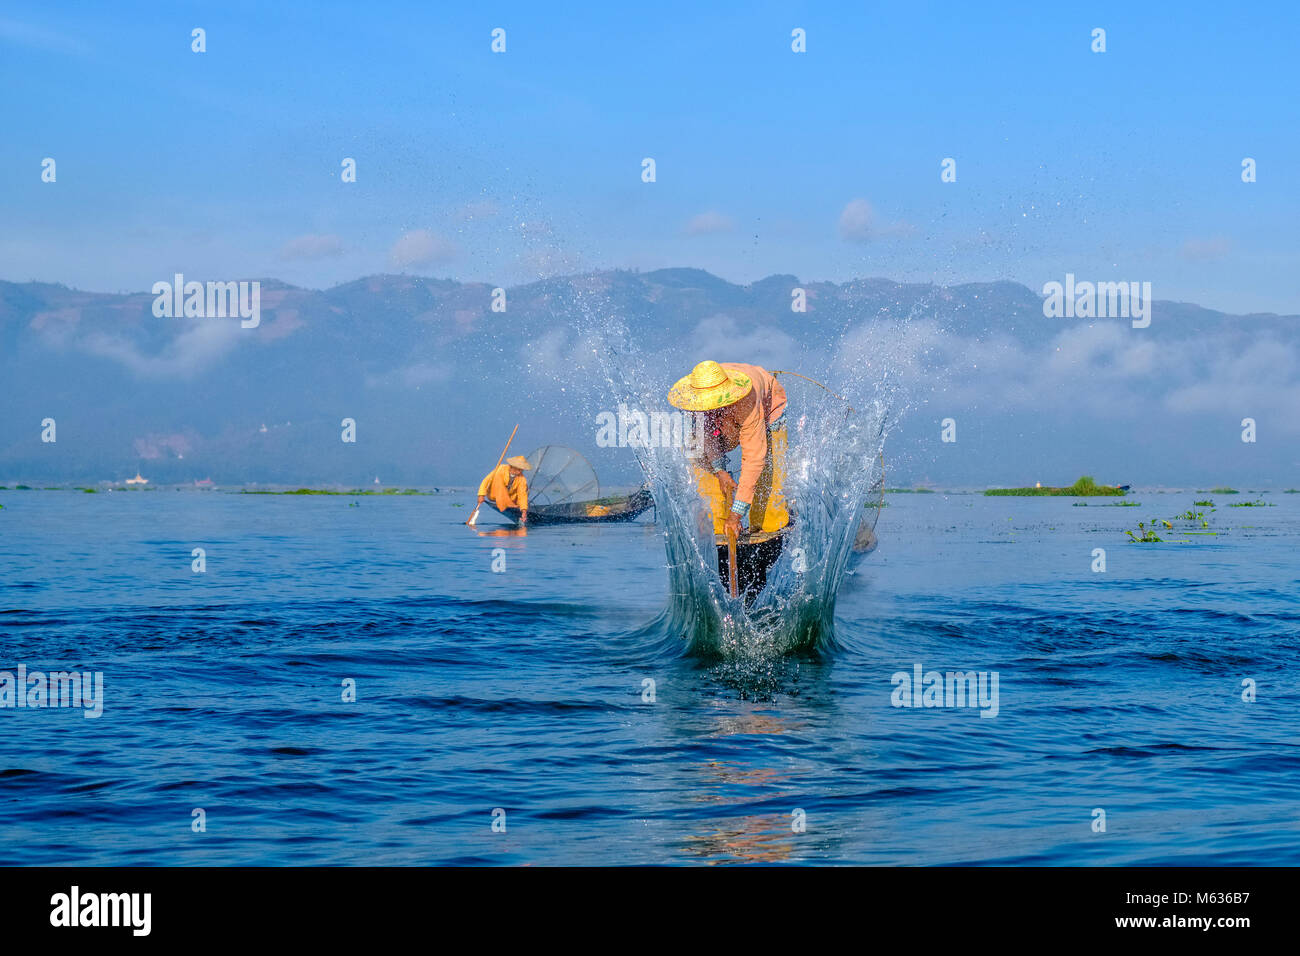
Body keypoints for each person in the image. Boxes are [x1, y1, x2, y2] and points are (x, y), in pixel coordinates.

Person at [666, 360, 789, 538]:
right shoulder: (697, 400)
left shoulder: (747, 402)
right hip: (725, 416)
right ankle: (717, 526)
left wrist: (736, 514)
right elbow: (706, 434)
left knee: (768, 475)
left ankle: (764, 526)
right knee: (697, 454)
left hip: (769, 410)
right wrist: (719, 470)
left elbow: (754, 460)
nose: (708, 408)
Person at [475, 455, 531, 524]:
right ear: (512, 466)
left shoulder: (522, 479)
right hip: (494, 494)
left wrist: (524, 511)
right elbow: (486, 480)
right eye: (518, 469)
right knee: (497, 478)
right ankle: (505, 502)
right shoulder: (501, 469)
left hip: (510, 500)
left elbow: (522, 495)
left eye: (521, 470)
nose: (519, 472)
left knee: (525, 489)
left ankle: (511, 505)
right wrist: (481, 495)